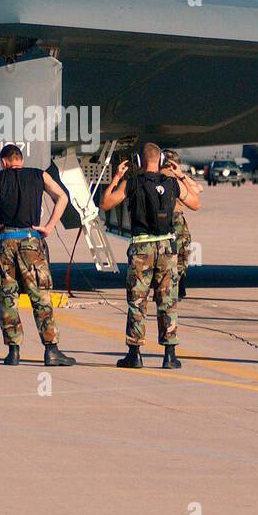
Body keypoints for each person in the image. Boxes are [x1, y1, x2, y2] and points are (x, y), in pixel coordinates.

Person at [0, 144, 75, 366]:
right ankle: (51, 350)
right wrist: (49, 226)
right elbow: (63, 197)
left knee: (8, 297)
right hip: (30, 241)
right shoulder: (39, 175)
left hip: (6, 241)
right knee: (40, 296)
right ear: (21, 161)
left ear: (4, 162)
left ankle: (13, 351)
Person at [100, 143, 201, 369]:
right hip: (167, 248)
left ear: (139, 161)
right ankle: (169, 355)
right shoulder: (172, 183)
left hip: (142, 249)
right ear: (162, 159)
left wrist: (116, 177)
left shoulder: (132, 182)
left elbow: (105, 203)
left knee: (137, 301)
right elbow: (195, 203)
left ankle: (134, 354)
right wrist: (181, 176)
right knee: (168, 301)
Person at [161, 150, 202, 299]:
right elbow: (197, 191)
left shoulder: (155, 177)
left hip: (160, 221)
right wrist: (182, 176)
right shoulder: (176, 181)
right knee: (181, 255)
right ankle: (178, 287)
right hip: (176, 220)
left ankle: (163, 287)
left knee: (163, 256)